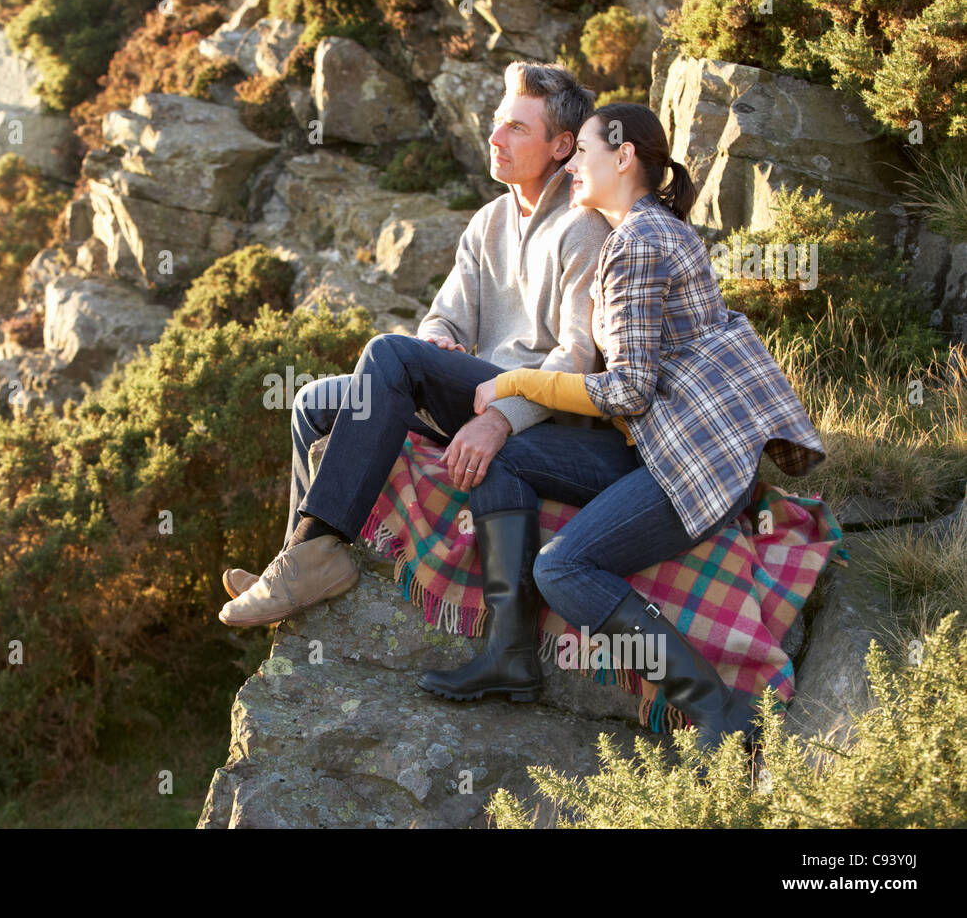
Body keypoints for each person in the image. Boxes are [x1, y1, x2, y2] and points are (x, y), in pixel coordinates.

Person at [217, 63, 612, 709]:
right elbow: (444, 316)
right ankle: (304, 557)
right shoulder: (487, 222)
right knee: (315, 403)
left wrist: (502, 418)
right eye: (495, 124)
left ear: (562, 146)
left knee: (389, 357)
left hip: (541, 414)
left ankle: (309, 558)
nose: (497, 138)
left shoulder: (583, 227)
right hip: (470, 388)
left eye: (517, 127)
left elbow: (579, 355)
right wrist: (437, 345)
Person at [458, 102, 826, 751]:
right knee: (508, 453)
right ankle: (508, 651)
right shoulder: (652, 232)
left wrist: (514, 382)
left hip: (694, 464)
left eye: (584, 153)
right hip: (664, 447)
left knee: (563, 570)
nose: (570, 165)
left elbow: (627, 391)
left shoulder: (636, 244)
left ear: (623, 157)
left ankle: (716, 710)